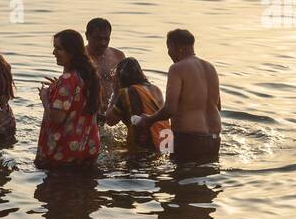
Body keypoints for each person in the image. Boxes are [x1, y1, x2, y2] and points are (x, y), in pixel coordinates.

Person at [134, 29, 221, 164]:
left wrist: (149, 120)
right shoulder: (211, 68)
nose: (169, 53)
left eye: (169, 48)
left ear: (175, 46)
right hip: (214, 140)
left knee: (177, 182)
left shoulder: (177, 68)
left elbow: (170, 109)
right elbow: (218, 107)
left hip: (189, 140)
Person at [36, 29, 101, 169]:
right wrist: (57, 89)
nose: (54, 53)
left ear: (71, 52)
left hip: (64, 152)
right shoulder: (88, 76)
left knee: (53, 190)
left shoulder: (67, 80)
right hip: (88, 147)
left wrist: (45, 97)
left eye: (58, 48)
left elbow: (57, 118)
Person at [105, 57, 172, 153]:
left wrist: (115, 92)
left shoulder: (128, 92)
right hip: (166, 141)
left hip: (147, 144)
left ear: (121, 78)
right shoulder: (155, 89)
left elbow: (110, 120)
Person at [85, 17, 126, 126]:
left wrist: (113, 109)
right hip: (86, 112)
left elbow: (121, 87)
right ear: (87, 36)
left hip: (110, 113)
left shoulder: (118, 56)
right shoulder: (80, 57)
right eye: (98, 38)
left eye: (106, 38)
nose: (103, 43)